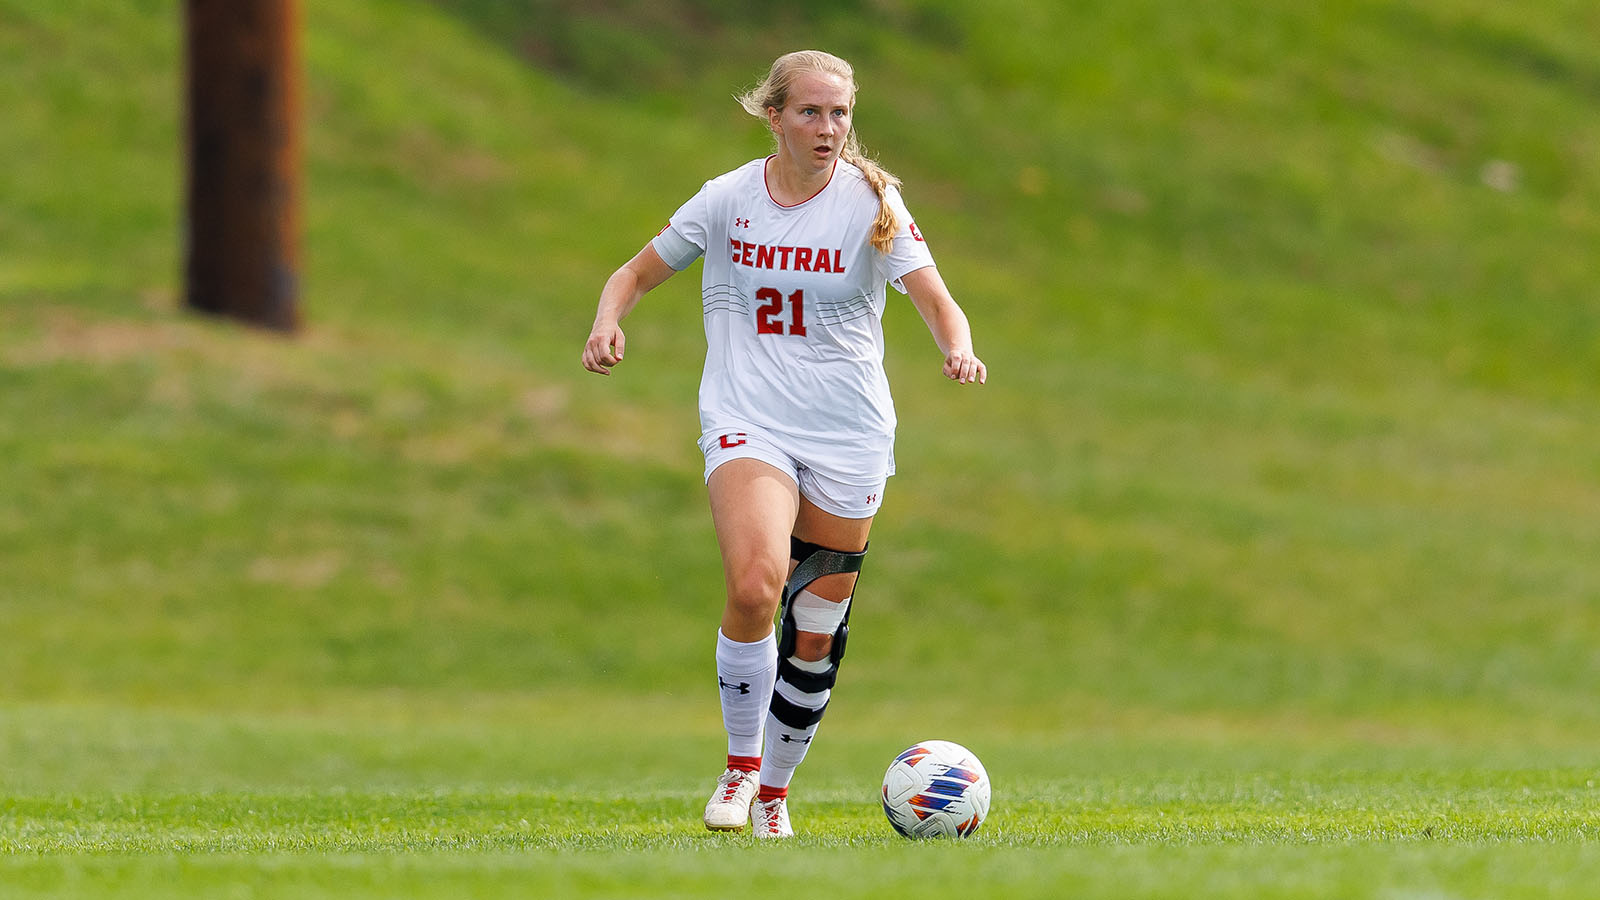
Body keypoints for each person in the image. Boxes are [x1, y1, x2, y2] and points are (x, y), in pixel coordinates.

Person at [581, 49, 986, 838]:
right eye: (810, 112)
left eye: (840, 114)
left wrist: (956, 346)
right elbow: (629, 275)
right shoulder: (728, 200)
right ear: (774, 115)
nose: (828, 128)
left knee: (815, 631)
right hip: (748, 418)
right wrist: (608, 320)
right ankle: (736, 773)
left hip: (850, 432)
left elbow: (938, 299)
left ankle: (775, 793)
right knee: (757, 582)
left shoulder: (875, 203)